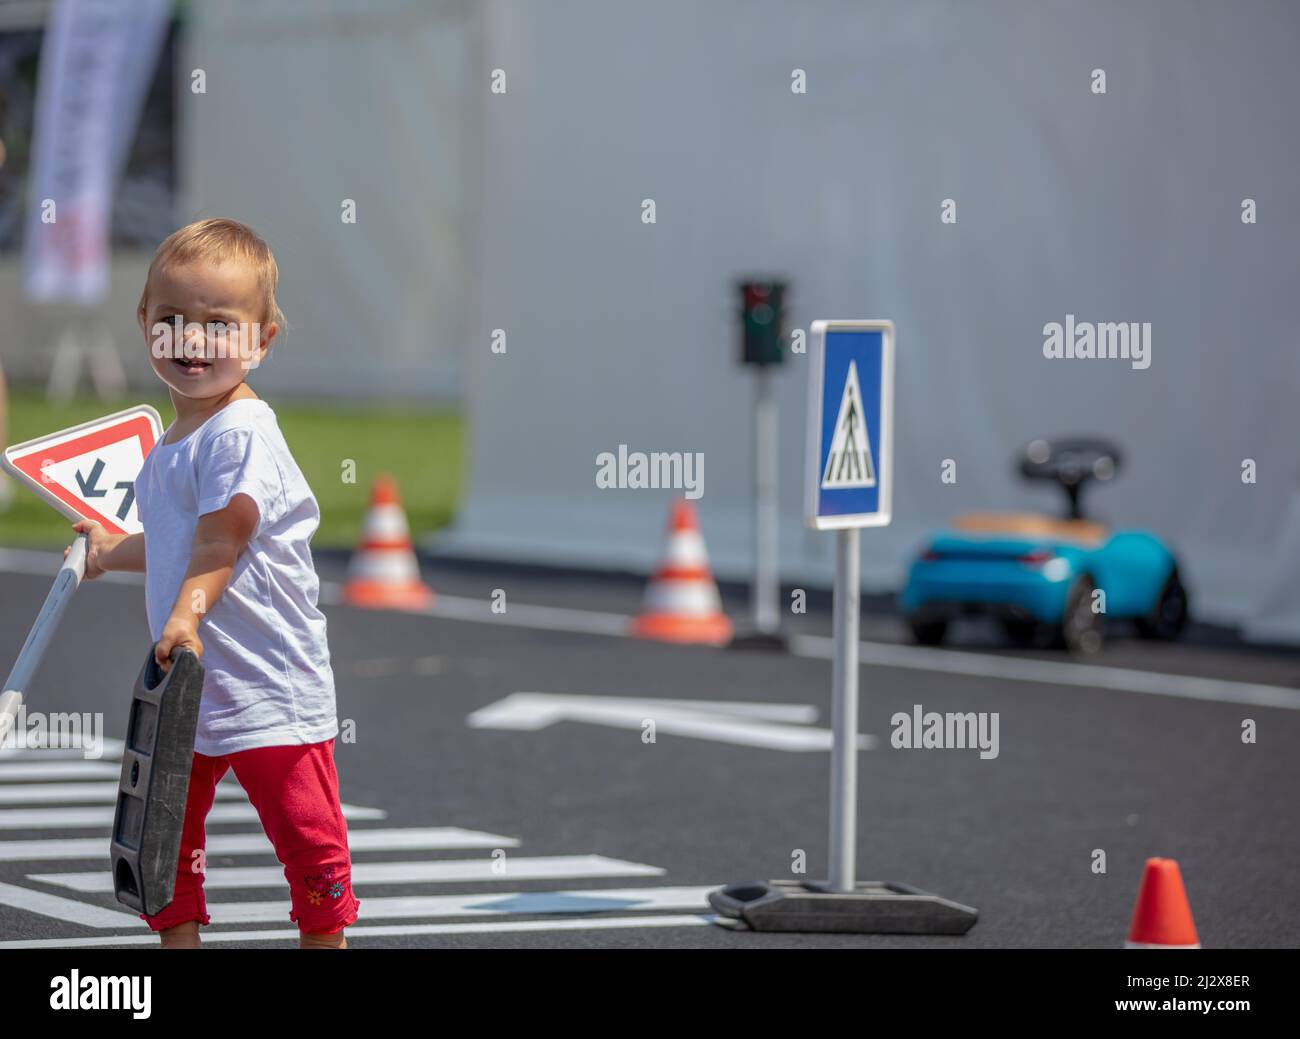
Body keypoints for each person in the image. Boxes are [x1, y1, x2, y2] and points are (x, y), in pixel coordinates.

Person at [68, 218, 358, 948]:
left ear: (262, 339)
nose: (192, 340)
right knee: (161, 848)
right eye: (172, 320)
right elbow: (176, 539)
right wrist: (111, 551)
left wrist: (186, 614)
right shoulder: (173, 445)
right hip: (191, 689)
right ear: (145, 326)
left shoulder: (240, 433)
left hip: (268, 690)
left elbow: (221, 537)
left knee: (311, 854)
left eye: (219, 325)